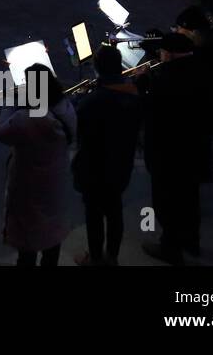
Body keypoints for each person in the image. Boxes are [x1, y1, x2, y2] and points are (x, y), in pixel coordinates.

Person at [139, 29, 213, 264]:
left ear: (169, 54)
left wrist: (143, 87)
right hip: (196, 148)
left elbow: (152, 114)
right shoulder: (201, 68)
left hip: (168, 153)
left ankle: (170, 247)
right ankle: (191, 241)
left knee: (167, 202)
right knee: (190, 199)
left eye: (162, 52)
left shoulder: (165, 79)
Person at [0, 63, 75, 266]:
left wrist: (12, 103)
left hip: (28, 186)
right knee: (52, 236)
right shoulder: (65, 108)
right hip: (55, 184)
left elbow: (3, 133)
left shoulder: (27, 119)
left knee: (27, 242)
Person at [71, 45, 141, 265]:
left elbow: (77, 132)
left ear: (98, 69)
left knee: (93, 214)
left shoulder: (92, 102)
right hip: (121, 165)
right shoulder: (134, 97)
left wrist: (78, 100)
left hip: (94, 168)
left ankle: (94, 257)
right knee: (114, 210)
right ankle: (112, 256)